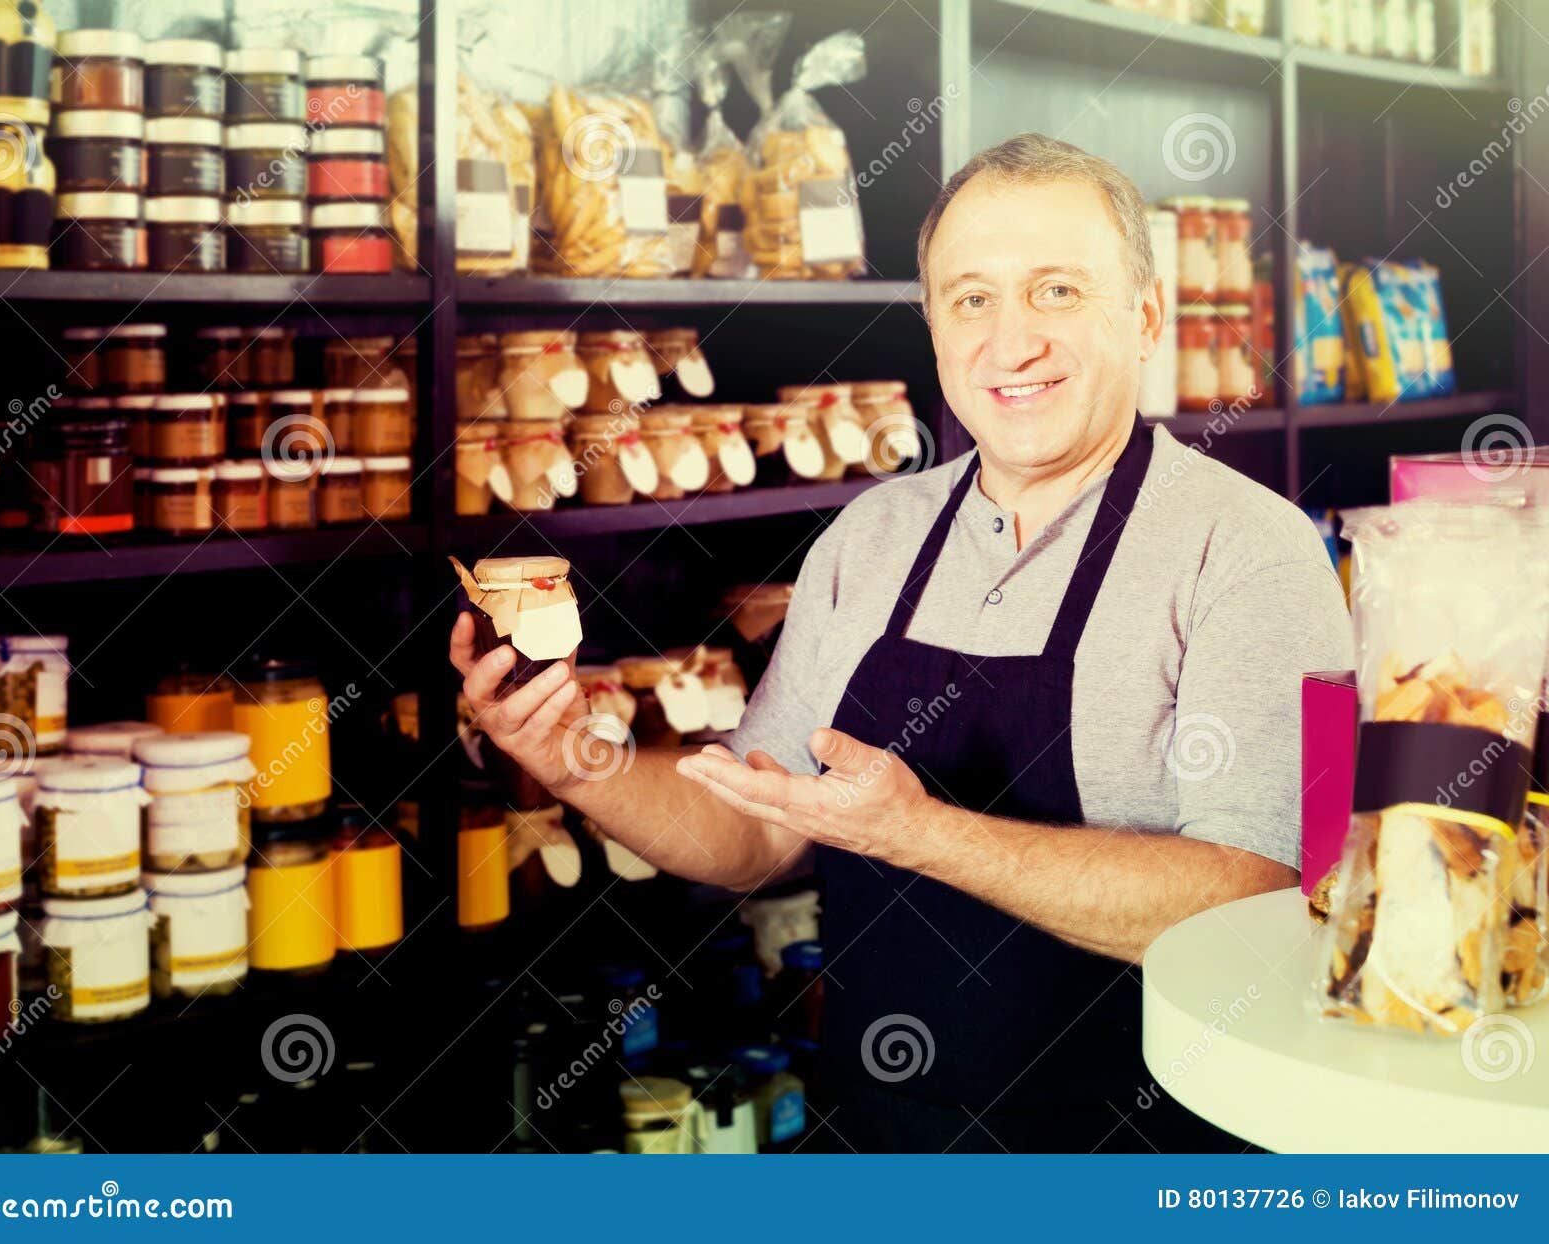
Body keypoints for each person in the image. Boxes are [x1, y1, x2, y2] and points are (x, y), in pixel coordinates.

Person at [450, 133, 1352, 1152]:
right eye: (971, 299)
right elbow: (751, 831)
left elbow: (1258, 900)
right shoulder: (870, 537)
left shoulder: (1250, 549)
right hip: (880, 1132)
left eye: (1056, 291)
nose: (1010, 344)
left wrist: (920, 831)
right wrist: (574, 757)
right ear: (932, 327)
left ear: (1144, 316)